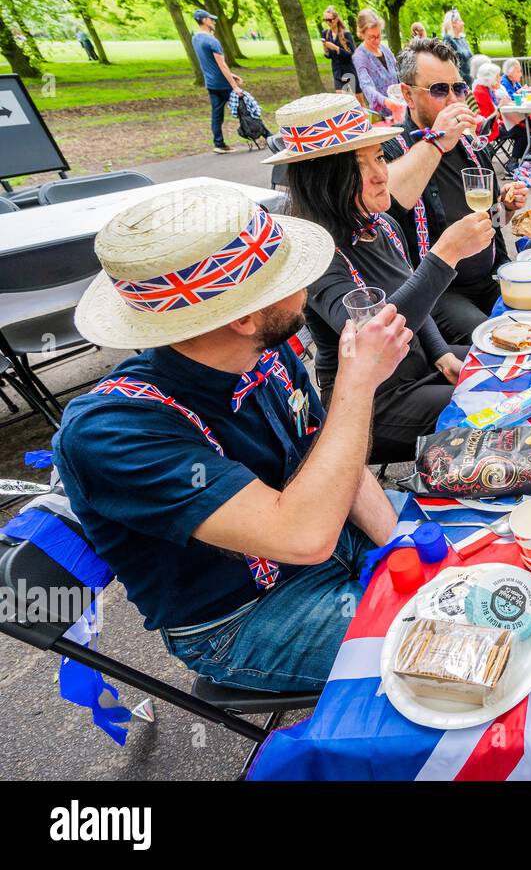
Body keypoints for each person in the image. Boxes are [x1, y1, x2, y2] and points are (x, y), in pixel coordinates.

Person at [53, 183, 414, 692]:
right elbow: (301, 537)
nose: (308, 281)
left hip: (327, 535)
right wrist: (358, 384)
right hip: (244, 615)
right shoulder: (112, 433)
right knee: (452, 637)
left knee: (479, 552)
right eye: (290, 275)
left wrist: (398, 544)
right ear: (244, 317)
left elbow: (325, 452)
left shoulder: (262, 350)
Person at [265, 93, 492, 461]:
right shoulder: (317, 256)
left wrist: (440, 354)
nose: (380, 174)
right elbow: (377, 337)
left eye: (380, 156)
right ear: (323, 179)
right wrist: (445, 254)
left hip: (421, 371)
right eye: (359, 165)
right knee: (497, 401)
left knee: (508, 367)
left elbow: (412, 296)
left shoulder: (382, 225)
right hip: (376, 404)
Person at [382, 38, 528, 343]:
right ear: (408, 94)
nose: (452, 100)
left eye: (458, 89)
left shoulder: (473, 149)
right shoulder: (392, 150)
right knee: (500, 341)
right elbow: (390, 202)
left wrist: (506, 208)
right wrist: (437, 141)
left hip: (490, 276)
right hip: (440, 295)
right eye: (439, 90)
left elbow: (491, 221)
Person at [191, 9, 242, 155]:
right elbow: (222, 65)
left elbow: (208, 62)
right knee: (246, 108)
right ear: (204, 20)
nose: (214, 22)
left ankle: (219, 144)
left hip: (211, 83)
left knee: (217, 114)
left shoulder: (195, 38)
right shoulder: (212, 41)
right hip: (223, 84)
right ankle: (266, 136)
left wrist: (232, 74)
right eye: (211, 19)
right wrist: (234, 85)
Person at [473, 62, 528, 171]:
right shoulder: (480, 92)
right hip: (488, 130)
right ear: (489, 78)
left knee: (524, 124)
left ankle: (517, 158)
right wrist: (500, 107)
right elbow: (486, 122)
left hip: (495, 125)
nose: (500, 79)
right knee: (523, 131)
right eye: (497, 77)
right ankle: (513, 161)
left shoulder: (487, 90)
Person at [352, 8, 399, 117]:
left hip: (400, 108)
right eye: (371, 37)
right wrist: (386, 102)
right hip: (382, 115)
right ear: (361, 34)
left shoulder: (385, 49)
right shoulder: (360, 56)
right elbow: (366, 86)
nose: (377, 41)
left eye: (378, 36)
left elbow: (398, 72)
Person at [321, 6, 358, 94]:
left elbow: (351, 54)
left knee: (357, 101)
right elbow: (329, 56)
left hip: (349, 71)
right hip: (337, 72)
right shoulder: (325, 33)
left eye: (330, 20)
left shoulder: (346, 34)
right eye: (325, 20)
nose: (328, 22)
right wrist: (326, 49)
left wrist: (335, 48)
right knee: (341, 101)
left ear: (336, 19)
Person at [441, 9, 473, 83]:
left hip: (470, 80)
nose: (463, 23)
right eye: (460, 21)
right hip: (459, 84)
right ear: (453, 23)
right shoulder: (448, 40)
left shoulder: (462, 39)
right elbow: (448, 65)